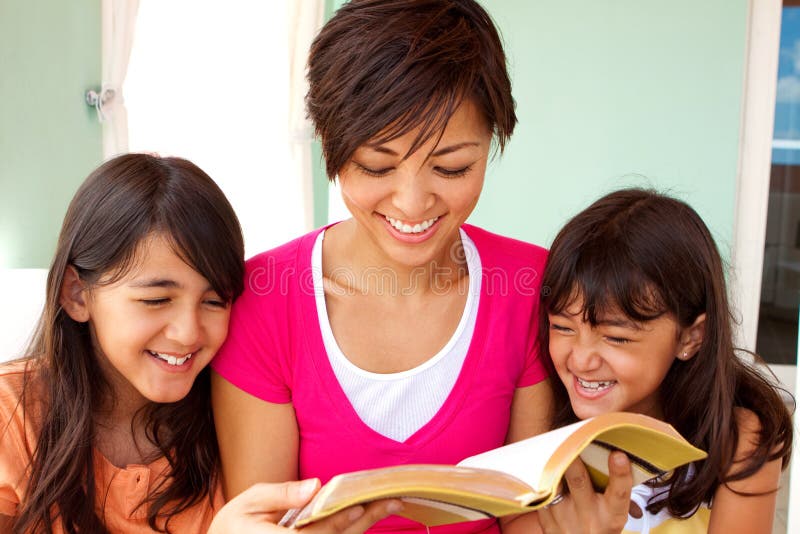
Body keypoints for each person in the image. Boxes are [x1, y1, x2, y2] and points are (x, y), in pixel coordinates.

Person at [211, 1, 632, 533]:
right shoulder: (265, 301)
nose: (412, 204)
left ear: (493, 143)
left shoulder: (530, 287)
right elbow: (261, 519)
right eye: (377, 166)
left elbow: (525, 514)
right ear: (327, 143)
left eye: (451, 167)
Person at [0, 153, 396, 533]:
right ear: (77, 294)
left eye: (214, 301)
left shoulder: (239, 415)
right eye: (156, 300)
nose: (189, 332)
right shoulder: (11, 416)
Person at [535, 188, 793, 533]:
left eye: (616, 337)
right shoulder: (542, 412)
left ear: (690, 337)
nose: (580, 360)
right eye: (562, 327)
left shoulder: (738, 437)